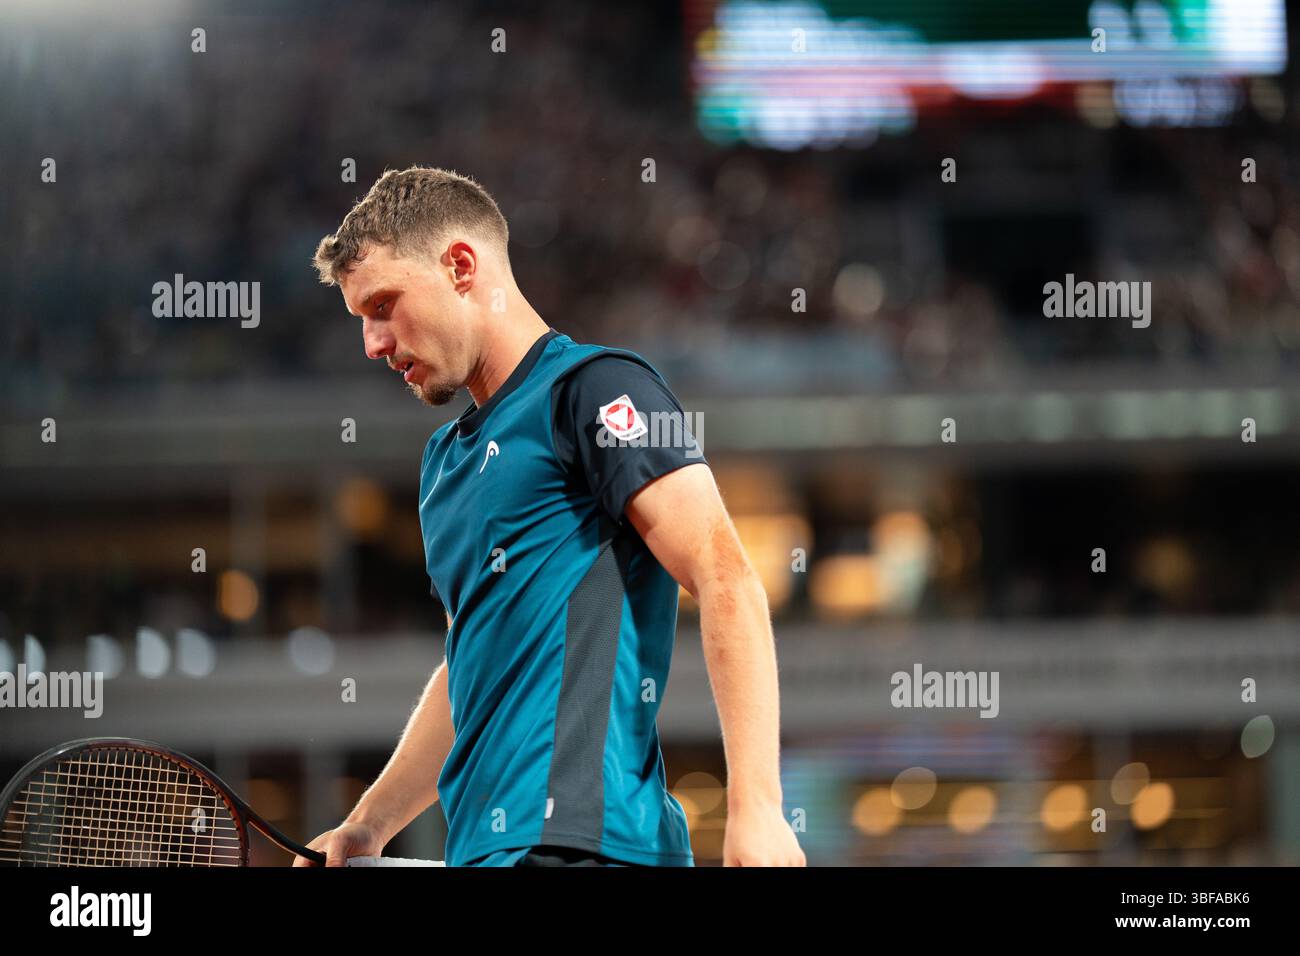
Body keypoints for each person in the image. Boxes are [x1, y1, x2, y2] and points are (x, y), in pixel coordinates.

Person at [297, 166, 804, 867]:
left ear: (462, 266)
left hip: (584, 846)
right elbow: (469, 666)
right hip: (481, 850)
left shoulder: (598, 390)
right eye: (361, 319)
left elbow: (726, 578)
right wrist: (368, 825)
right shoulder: (443, 463)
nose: (373, 344)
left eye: (383, 304)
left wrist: (760, 810)